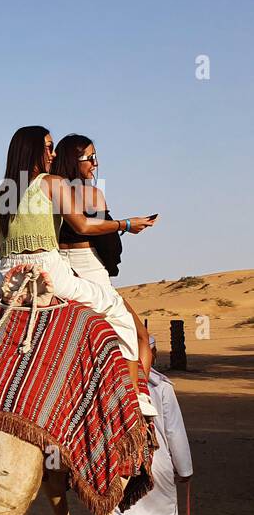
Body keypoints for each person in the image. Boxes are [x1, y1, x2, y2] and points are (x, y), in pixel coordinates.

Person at [0, 126, 157, 415]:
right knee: (118, 312)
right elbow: (83, 226)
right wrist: (126, 224)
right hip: (49, 273)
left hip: (6, 278)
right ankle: (136, 399)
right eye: (48, 147)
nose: (53, 154)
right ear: (33, 150)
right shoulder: (52, 183)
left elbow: (0, 245)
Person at [51, 134, 155, 370]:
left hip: (58, 270)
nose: (95, 164)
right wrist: (124, 226)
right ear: (73, 160)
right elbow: (108, 244)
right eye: (90, 158)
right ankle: (138, 400)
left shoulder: (49, 193)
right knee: (138, 338)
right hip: (90, 269)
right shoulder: (91, 193)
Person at [109, 340, 197, 515]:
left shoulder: (110, 383)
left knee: (123, 511)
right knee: (163, 511)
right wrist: (185, 469)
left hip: (119, 459)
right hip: (157, 459)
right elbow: (174, 431)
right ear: (152, 353)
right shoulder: (160, 386)